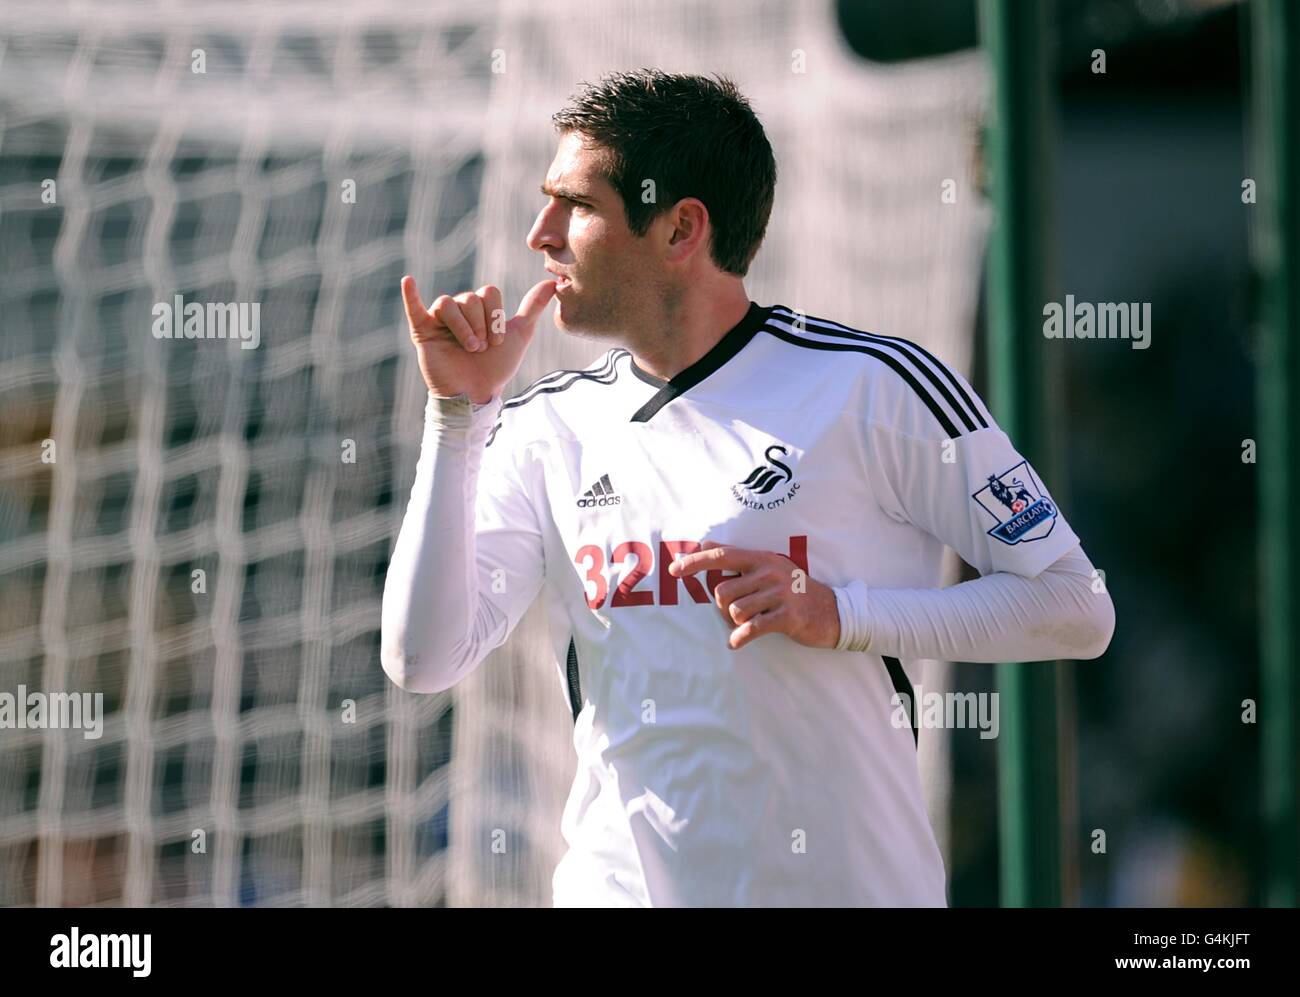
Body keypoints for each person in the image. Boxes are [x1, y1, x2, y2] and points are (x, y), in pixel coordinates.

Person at [381, 69, 1115, 907]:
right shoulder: (548, 427)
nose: (538, 233)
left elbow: (1076, 605)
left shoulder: (874, 386)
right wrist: (457, 416)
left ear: (681, 227)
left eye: (575, 205)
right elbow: (421, 657)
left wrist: (842, 613)